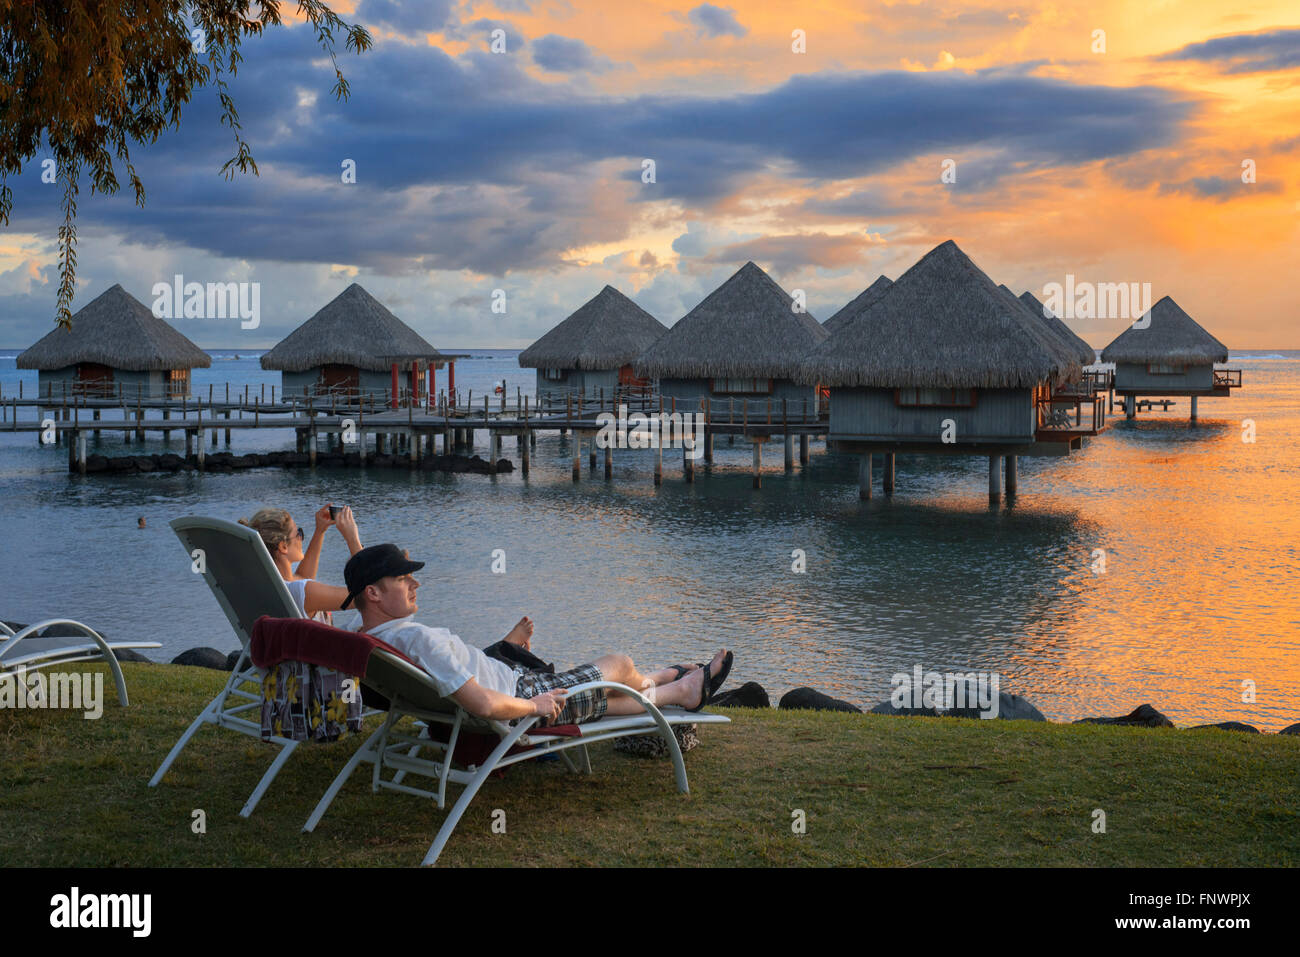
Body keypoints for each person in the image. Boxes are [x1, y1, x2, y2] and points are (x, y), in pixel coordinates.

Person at [342, 544, 732, 726]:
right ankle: (675, 688)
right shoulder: (418, 641)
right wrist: (536, 707)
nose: (415, 584)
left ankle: (667, 680)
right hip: (520, 698)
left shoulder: (366, 638)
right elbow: (484, 705)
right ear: (373, 594)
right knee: (620, 664)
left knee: (606, 697)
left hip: (511, 684)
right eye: (403, 578)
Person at [238, 505, 363, 623]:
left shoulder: (268, 587)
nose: (301, 538)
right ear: (283, 546)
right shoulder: (304, 593)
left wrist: (320, 531)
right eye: (299, 533)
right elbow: (364, 596)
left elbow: (302, 578)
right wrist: (352, 538)